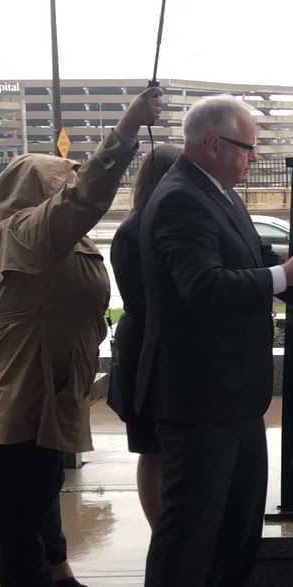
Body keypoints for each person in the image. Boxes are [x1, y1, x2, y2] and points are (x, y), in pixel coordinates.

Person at [137, 95, 293, 587]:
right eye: (248, 149)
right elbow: (204, 288)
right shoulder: (182, 200)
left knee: (238, 513)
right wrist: (286, 274)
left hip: (235, 391)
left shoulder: (220, 195)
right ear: (213, 144)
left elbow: (246, 270)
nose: (253, 159)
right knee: (187, 529)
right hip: (199, 394)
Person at [0, 86, 164, 587]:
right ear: (41, 186)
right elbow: (87, 196)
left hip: (50, 381)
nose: (72, 175)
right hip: (19, 384)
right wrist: (126, 128)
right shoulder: (27, 231)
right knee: (21, 495)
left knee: (45, 483)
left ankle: (56, 572)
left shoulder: (53, 236)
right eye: (63, 173)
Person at [108, 143, 182, 525]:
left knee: (156, 448)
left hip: (146, 346)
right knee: (151, 448)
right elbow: (146, 301)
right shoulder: (138, 230)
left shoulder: (136, 226)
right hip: (146, 353)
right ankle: (159, 528)